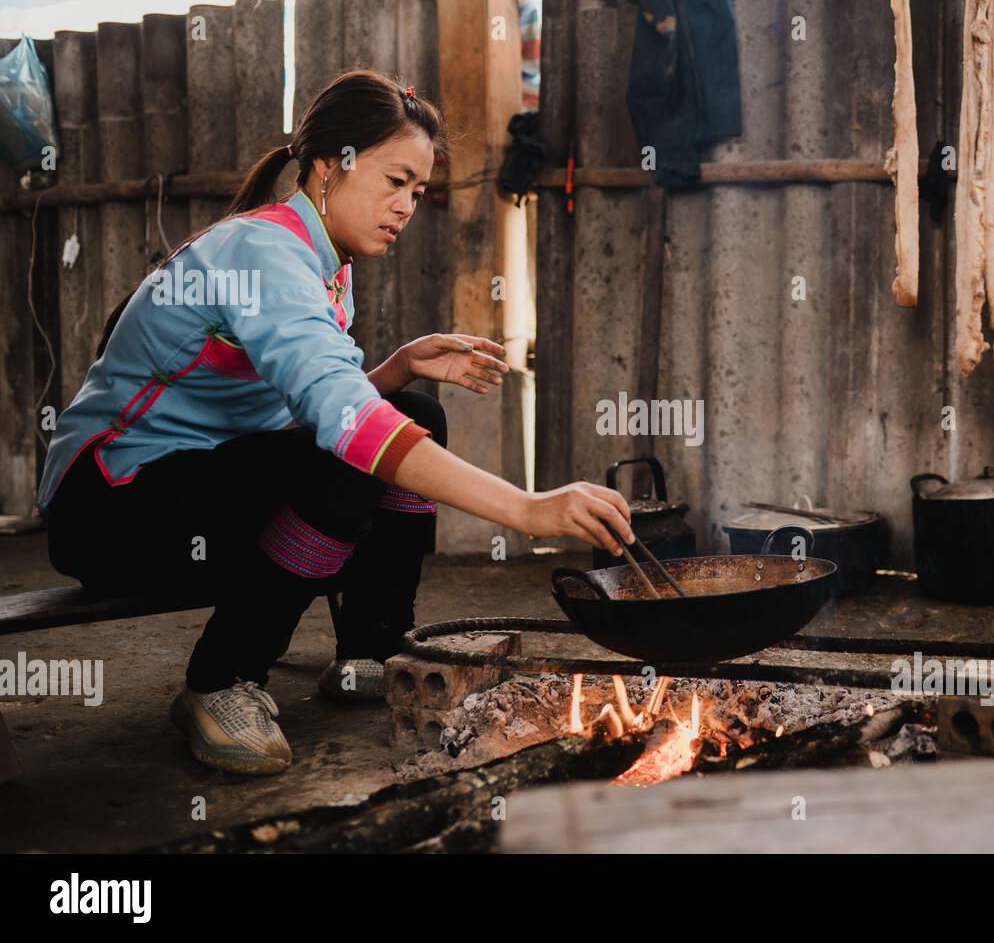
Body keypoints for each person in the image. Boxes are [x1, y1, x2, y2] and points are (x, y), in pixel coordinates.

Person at [36, 70, 632, 775]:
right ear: (330, 165)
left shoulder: (326, 264)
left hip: (194, 491)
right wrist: (528, 509)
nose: (407, 206)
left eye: (418, 190)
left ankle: (370, 651)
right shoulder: (262, 253)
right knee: (352, 452)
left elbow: (319, 404)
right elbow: (344, 428)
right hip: (107, 509)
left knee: (412, 412)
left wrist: (399, 368)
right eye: (395, 180)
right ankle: (222, 680)